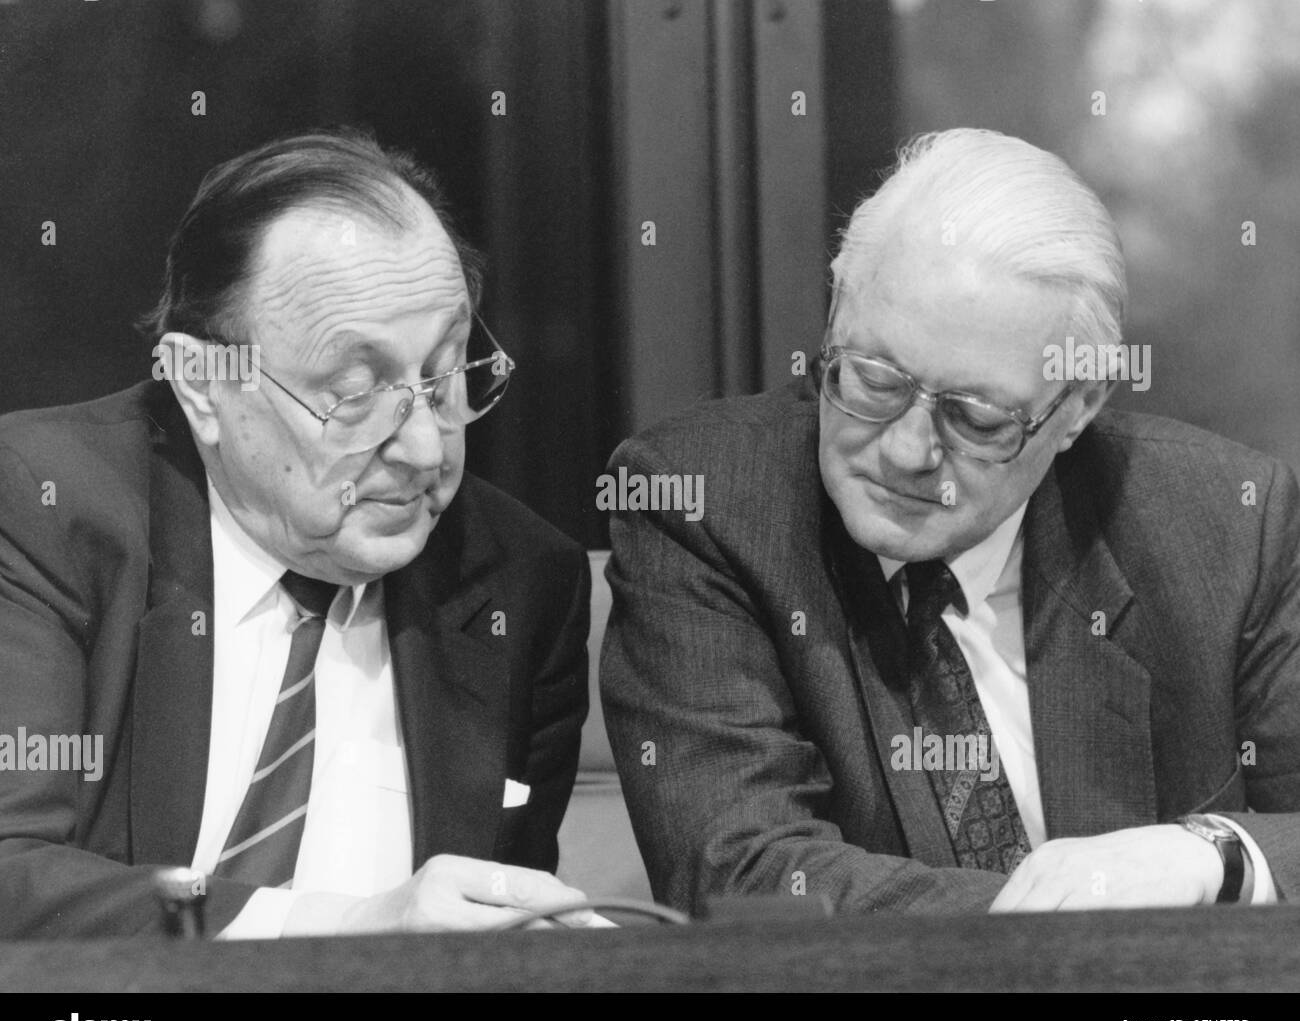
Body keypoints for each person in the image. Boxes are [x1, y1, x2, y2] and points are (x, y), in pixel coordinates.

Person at [601, 128, 1300, 916]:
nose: (904, 450)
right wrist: (1067, 931)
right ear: (834, 318)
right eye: (871, 378)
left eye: (973, 417)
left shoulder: (1228, 523)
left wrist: (1210, 853)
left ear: (1077, 408)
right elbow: (741, 871)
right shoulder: (703, 504)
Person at [0, 130, 592, 937]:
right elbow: (11, 874)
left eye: (447, 370)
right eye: (354, 392)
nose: (425, 448)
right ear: (202, 387)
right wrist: (342, 933)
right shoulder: (43, 510)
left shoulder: (521, 584)